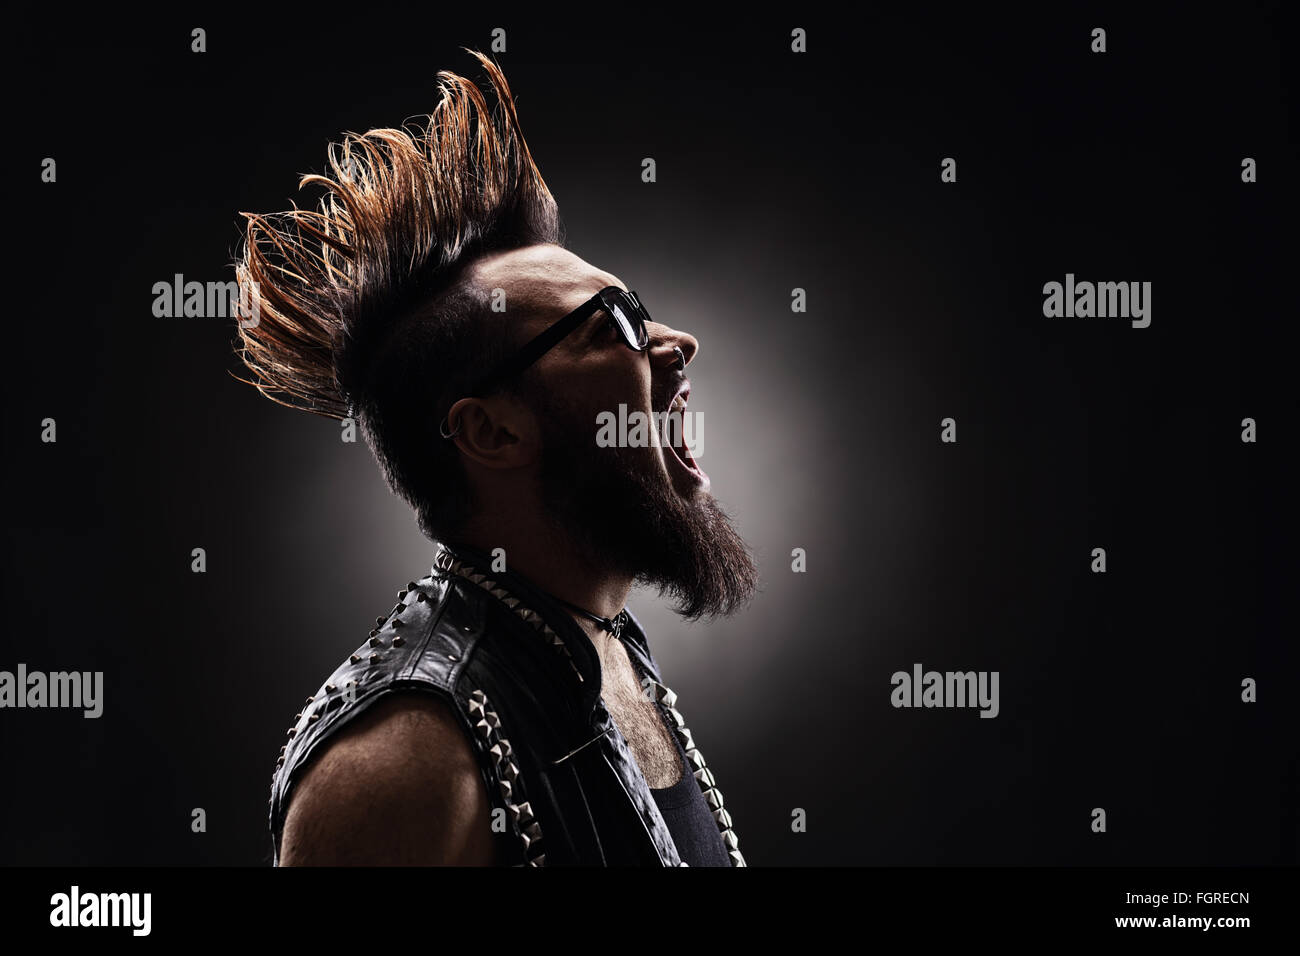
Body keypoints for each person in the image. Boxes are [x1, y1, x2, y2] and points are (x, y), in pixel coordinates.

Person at [234, 50, 758, 866]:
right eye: (609, 325)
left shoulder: (604, 647)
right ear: (492, 433)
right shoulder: (401, 768)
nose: (675, 343)